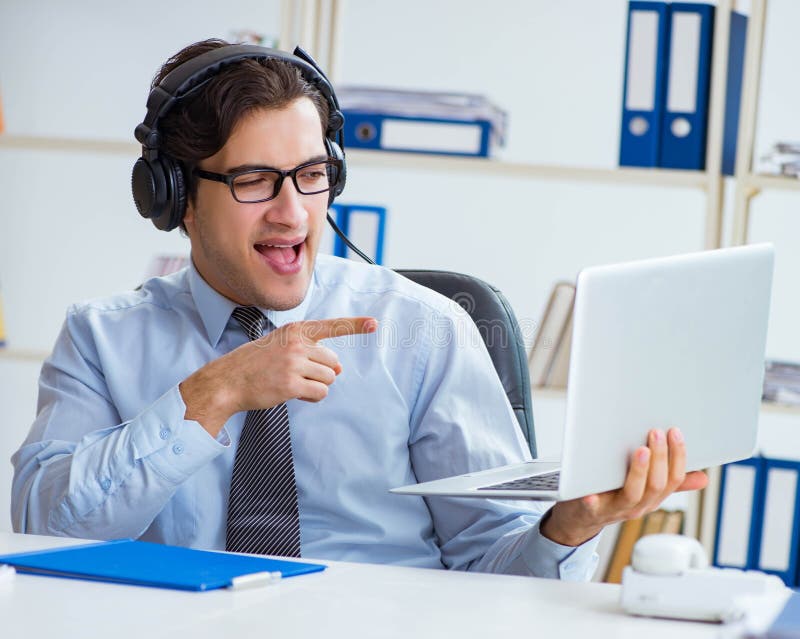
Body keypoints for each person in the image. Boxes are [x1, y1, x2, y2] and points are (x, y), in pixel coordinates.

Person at [11, 39, 706, 579]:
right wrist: (215, 392)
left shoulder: (423, 330)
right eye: (255, 180)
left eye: (313, 176)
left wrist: (568, 527)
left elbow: (495, 571)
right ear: (174, 198)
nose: (293, 213)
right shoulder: (101, 337)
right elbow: (43, 526)